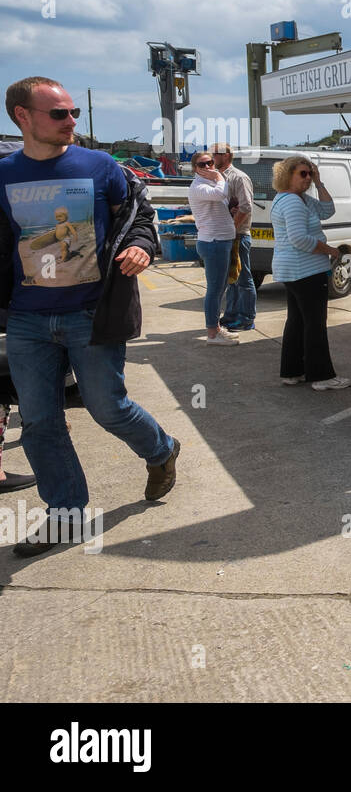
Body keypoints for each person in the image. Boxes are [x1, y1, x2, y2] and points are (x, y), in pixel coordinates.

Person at [0, 76, 180, 556]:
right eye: (59, 114)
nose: (71, 122)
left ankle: (161, 450)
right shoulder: (3, 175)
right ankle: (65, 515)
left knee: (108, 408)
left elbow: (141, 215)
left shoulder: (100, 166)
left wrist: (141, 247)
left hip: (90, 313)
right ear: (22, 117)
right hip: (25, 319)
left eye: (73, 112)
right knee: (39, 422)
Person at [270, 155, 350, 391]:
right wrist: (331, 250)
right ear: (288, 175)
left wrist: (319, 182)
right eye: (302, 174)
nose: (307, 178)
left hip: (294, 270)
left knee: (297, 320)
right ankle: (322, 375)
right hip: (305, 269)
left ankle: (292, 371)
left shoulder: (296, 199)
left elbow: (328, 210)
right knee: (315, 323)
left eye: (309, 173)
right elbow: (299, 239)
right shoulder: (293, 202)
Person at [188, 151, 238, 345]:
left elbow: (221, 199)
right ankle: (212, 333)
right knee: (215, 289)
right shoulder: (199, 186)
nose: (208, 166)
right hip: (213, 242)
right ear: (195, 169)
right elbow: (220, 193)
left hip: (222, 240)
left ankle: (216, 328)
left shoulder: (210, 183)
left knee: (221, 287)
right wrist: (219, 175)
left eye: (210, 162)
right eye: (203, 165)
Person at [212, 143, 256, 332]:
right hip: (225, 235)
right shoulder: (218, 177)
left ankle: (246, 318)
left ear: (227, 156)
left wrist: (231, 228)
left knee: (243, 278)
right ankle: (230, 316)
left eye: (215, 153)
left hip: (237, 235)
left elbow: (246, 207)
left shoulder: (238, 177)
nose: (212, 157)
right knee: (231, 279)